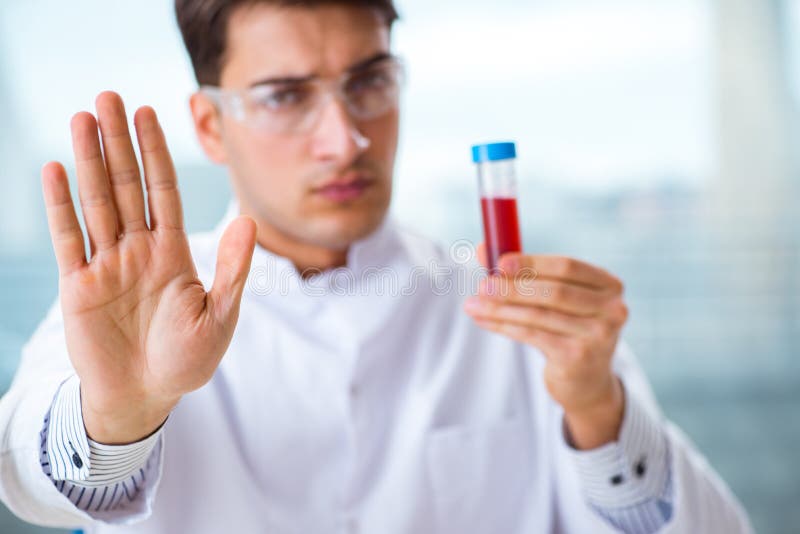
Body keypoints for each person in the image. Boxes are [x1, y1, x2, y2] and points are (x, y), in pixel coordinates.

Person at [0, 1, 752, 532]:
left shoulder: (513, 307)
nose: (347, 139)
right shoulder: (132, 304)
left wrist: (598, 411)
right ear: (210, 125)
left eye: (369, 82)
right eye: (285, 96)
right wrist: (121, 417)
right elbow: (29, 481)